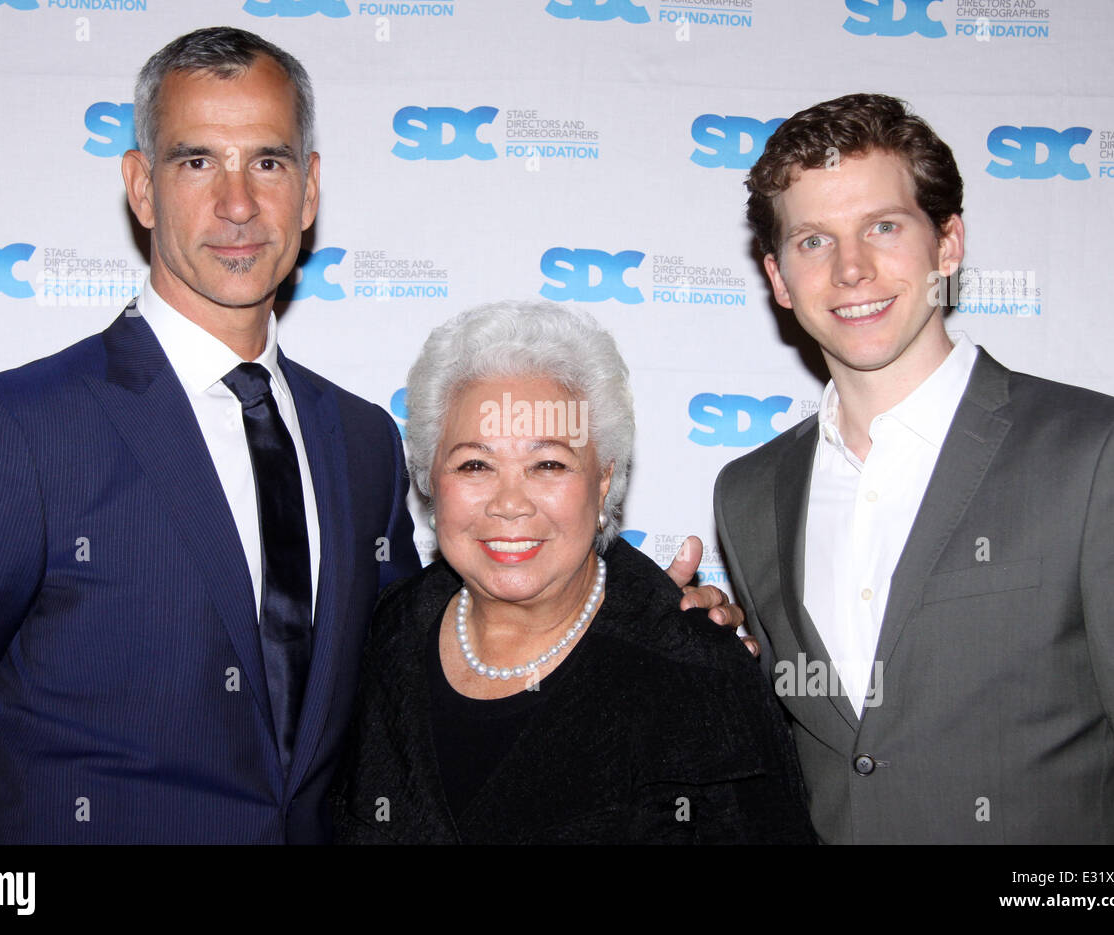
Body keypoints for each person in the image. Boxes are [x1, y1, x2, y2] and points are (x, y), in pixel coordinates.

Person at [0, 28, 736, 844]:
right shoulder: (20, 429)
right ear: (142, 186)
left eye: (268, 160)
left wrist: (653, 621)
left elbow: (432, 645)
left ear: (310, 187)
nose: (238, 202)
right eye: (196, 161)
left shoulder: (361, 439)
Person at [714, 92, 1114, 844]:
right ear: (777, 277)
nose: (851, 269)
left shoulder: (1103, 451)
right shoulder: (747, 492)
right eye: (812, 242)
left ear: (949, 244)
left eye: (884, 227)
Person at [331, 301, 815, 844]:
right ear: (429, 477)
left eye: (549, 464)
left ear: (603, 479)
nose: (509, 503)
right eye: (475, 464)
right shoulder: (389, 632)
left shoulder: (694, 671)